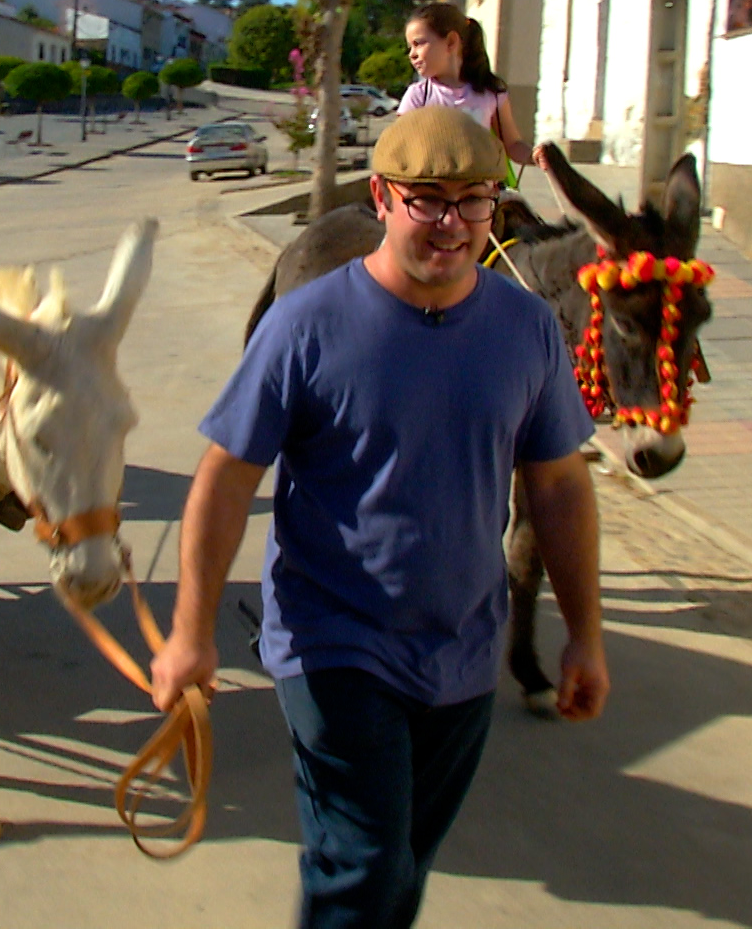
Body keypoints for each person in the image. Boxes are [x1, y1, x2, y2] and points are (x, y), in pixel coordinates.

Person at [150, 106, 608, 928]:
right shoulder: (306, 324)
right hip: (334, 644)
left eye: (473, 201)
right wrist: (190, 632)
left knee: (400, 872)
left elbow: (561, 489)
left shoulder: (527, 329)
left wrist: (585, 632)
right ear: (382, 198)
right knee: (360, 870)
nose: (451, 223)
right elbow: (223, 480)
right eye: (426, 199)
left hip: (464, 653)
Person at [396, 2, 532, 169]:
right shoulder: (418, 96)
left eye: (418, 44)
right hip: (434, 191)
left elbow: (513, 145)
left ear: (451, 42)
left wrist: (537, 157)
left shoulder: (492, 94)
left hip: (480, 190)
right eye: (410, 47)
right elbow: (399, 147)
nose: (412, 54)